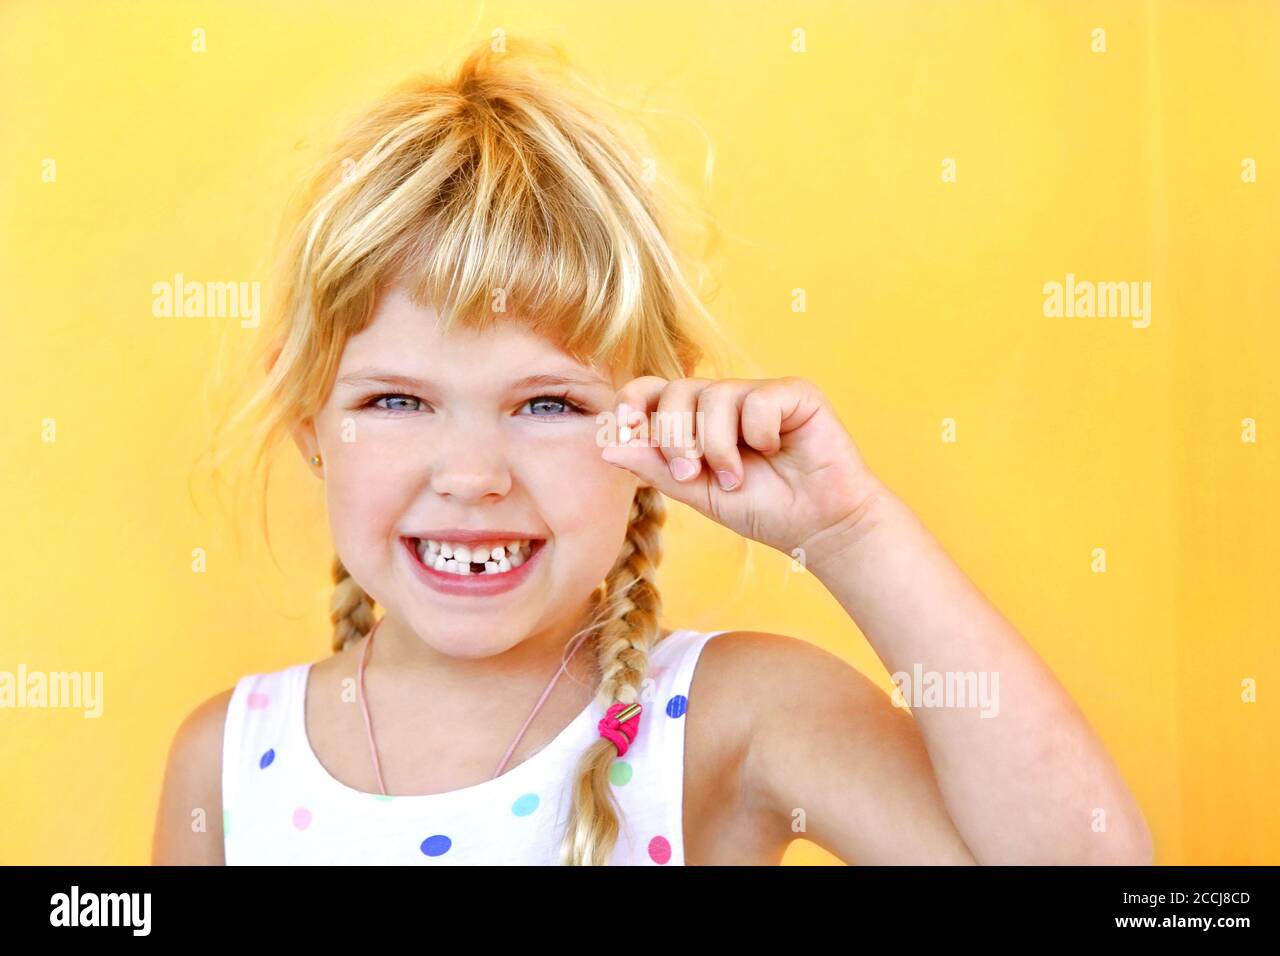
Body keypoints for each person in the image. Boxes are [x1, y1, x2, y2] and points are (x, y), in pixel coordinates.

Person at [152, 38, 1152, 866]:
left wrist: (851, 532)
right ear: (308, 418)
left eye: (546, 402)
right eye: (398, 399)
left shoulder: (732, 716)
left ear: (651, 416)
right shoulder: (227, 761)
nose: (470, 474)